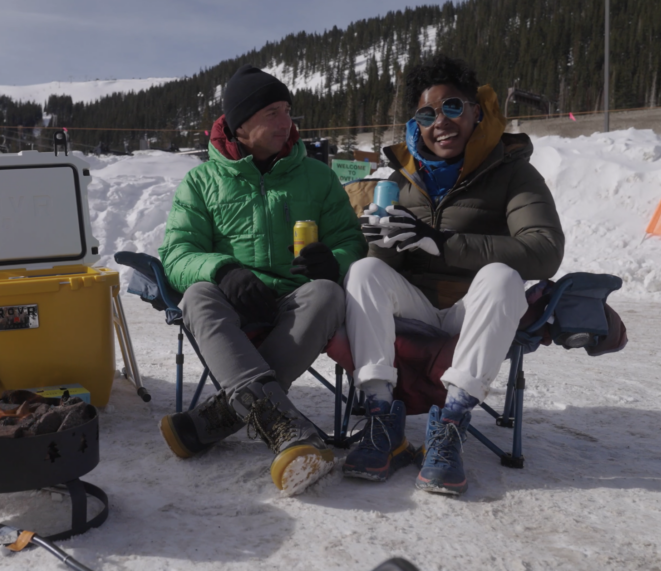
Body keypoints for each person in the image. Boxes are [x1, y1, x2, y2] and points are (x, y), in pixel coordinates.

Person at [341, 56, 564, 494]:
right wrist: (381, 241)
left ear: (476, 111)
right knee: (364, 271)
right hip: (418, 307)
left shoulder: (513, 172)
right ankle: (382, 420)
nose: (440, 122)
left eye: (453, 108)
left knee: (502, 276)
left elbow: (544, 250)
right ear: (416, 123)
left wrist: (442, 242)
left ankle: (453, 423)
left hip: (473, 312)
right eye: (427, 114)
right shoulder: (400, 180)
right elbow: (383, 274)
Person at [157, 64, 367, 494]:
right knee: (197, 295)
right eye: (271, 112)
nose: (285, 122)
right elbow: (177, 254)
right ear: (240, 123)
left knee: (328, 293)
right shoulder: (201, 182)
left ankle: (226, 413)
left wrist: (334, 262)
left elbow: (351, 243)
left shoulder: (317, 176)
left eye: (287, 111)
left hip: (296, 304)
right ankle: (281, 424)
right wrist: (222, 269)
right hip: (233, 300)